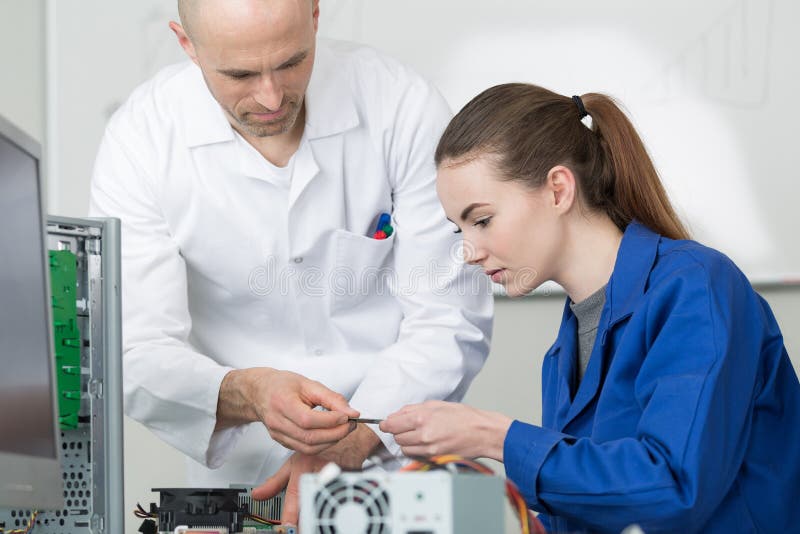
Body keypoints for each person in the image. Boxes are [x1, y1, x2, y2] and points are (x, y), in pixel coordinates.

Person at [89, 0, 492, 523]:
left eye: (291, 62)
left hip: (400, 461)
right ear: (186, 44)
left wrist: (350, 439)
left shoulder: (399, 103)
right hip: (244, 482)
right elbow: (133, 348)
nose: (271, 96)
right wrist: (249, 392)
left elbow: (449, 313)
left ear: (316, 18)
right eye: (239, 73)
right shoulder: (141, 138)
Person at [380, 83, 800, 533]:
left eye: (481, 221)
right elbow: (587, 509)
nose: (469, 251)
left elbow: (673, 486)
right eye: (458, 229)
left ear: (559, 189)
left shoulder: (697, 288)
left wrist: (494, 436)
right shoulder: (565, 352)